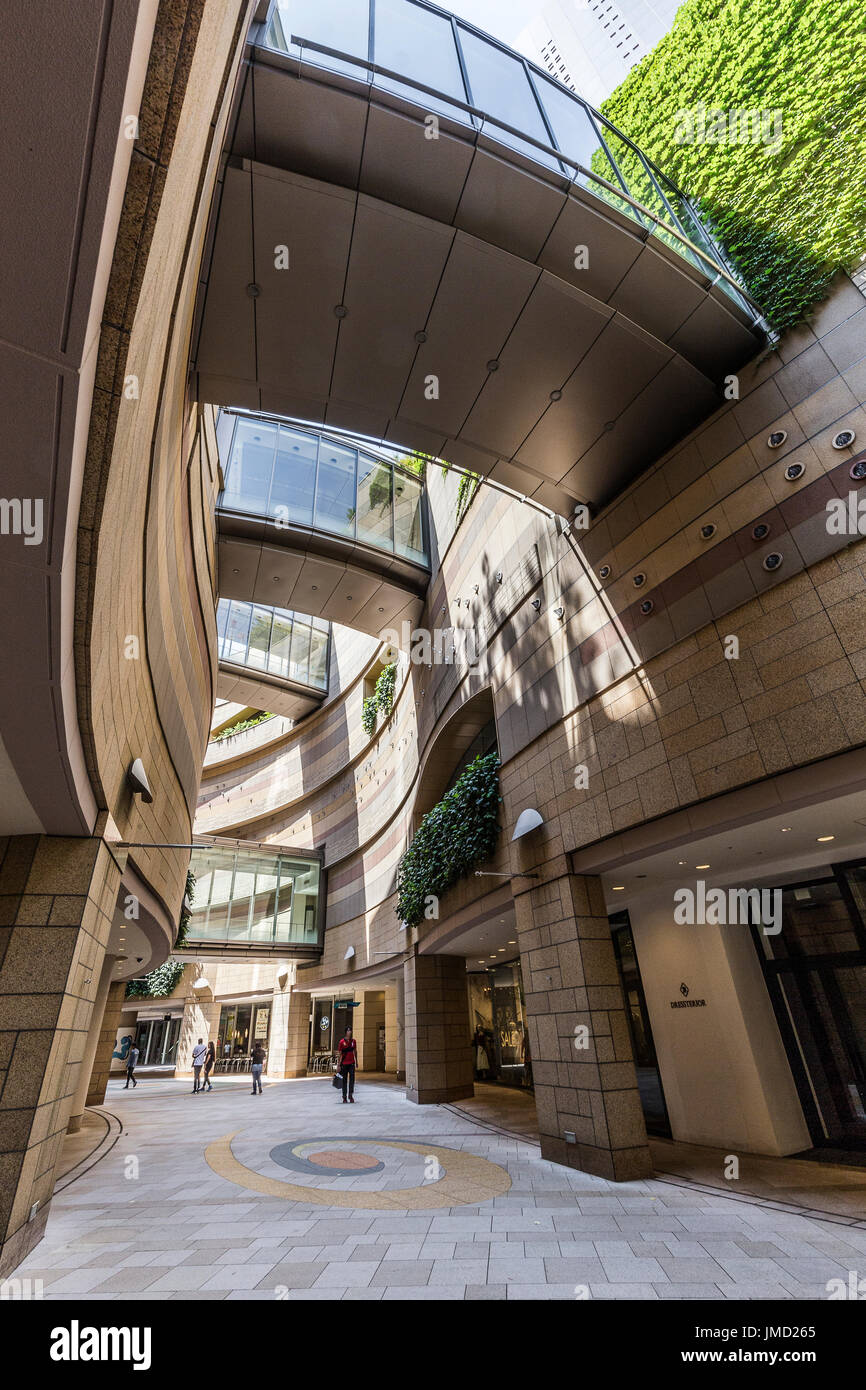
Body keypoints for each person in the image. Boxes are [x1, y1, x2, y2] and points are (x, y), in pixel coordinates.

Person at [337, 1024, 357, 1103]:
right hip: (344, 1064)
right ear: (346, 1032)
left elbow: (355, 1051)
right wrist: (338, 1065)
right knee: (344, 1080)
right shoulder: (342, 1042)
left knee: (352, 1080)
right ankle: (344, 1096)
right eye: (348, 1030)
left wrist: (357, 1061)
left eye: (350, 1030)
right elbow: (340, 1054)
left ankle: (350, 1095)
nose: (350, 1032)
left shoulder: (353, 1041)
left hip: (352, 1063)